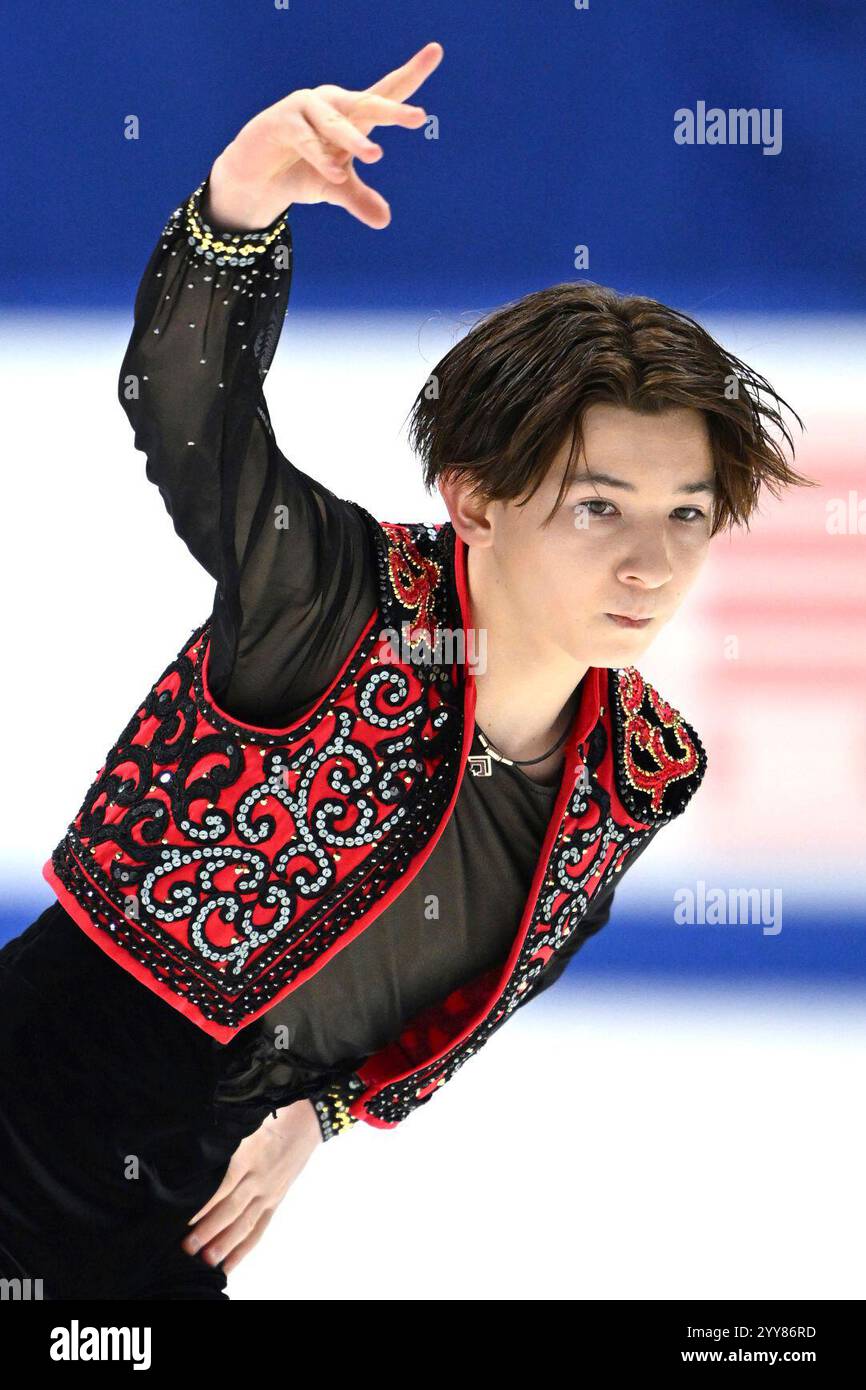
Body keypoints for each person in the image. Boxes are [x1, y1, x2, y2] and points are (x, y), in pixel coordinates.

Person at [0, 41, 812, 1300]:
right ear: (474, 498)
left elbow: (489, 986)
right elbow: (187, 418)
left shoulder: (643, 768)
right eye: (598, 508)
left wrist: (318, 1115)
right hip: (33, 1096)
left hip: (182, 1191)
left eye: (687, 516)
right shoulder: (336, 595)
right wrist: (237, 209)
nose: (650, 564)